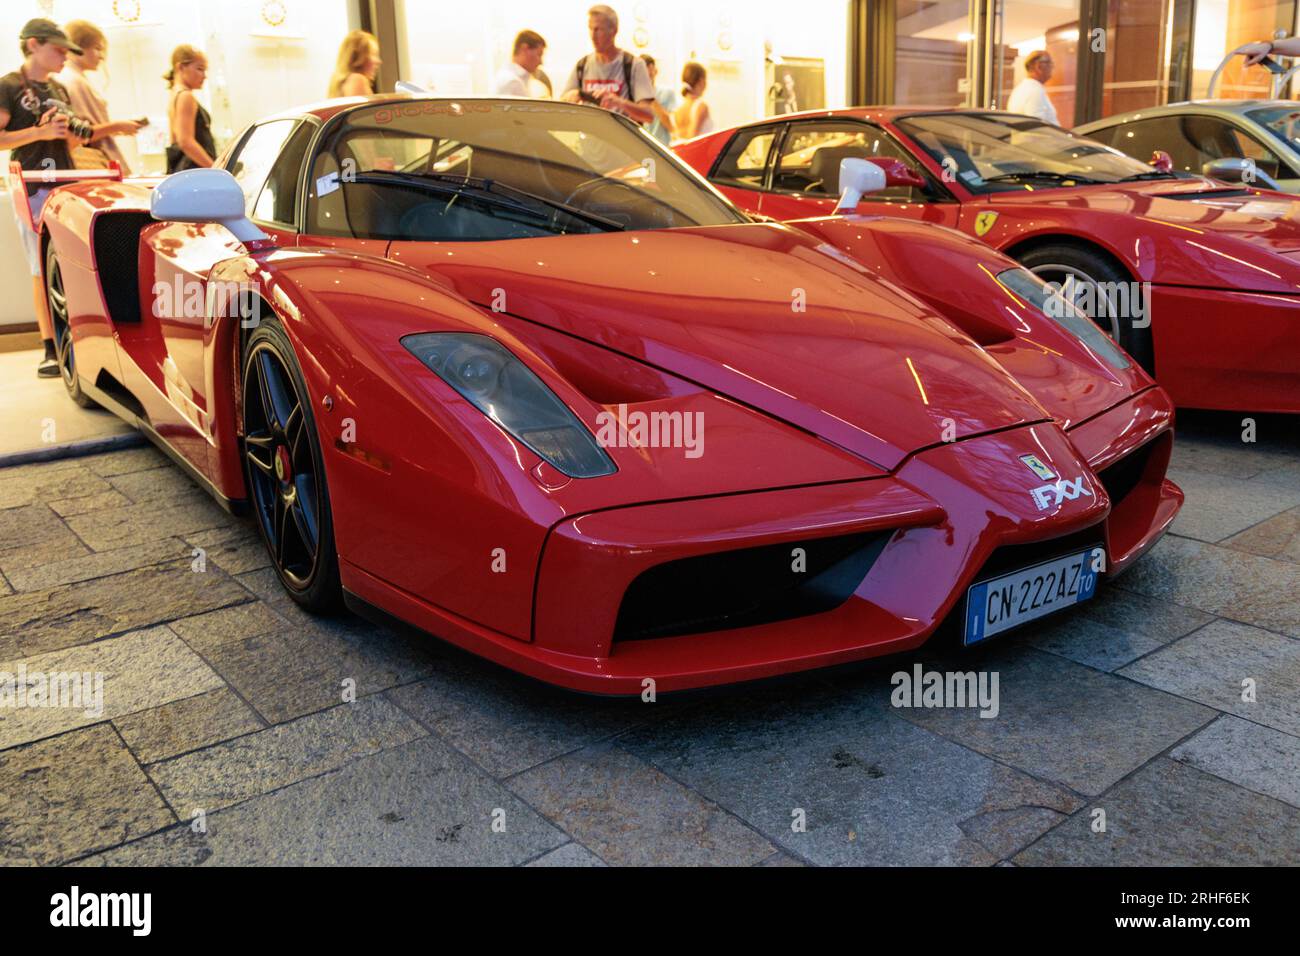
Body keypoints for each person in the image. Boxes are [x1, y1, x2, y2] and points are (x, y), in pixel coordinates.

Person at [0, 19, 92, 377]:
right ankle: (49, 348)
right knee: (41, 268)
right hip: (32, 185)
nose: (64, 57)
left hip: (65, 181)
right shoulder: (8, 86)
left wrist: (73, 135)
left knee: (67, 266)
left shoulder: (59, 89)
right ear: (34, 44)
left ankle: (77, 341)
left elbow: (66, 140)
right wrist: (38, 131)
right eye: (58, 49)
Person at [58, 20, 143, 174]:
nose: (102, 56)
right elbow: (79, 133)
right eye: (97, 48)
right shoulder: (73, 81)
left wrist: (116, 129)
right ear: (78, 48)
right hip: (92, 163)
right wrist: (117, 126)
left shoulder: (75, 79)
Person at [560, 5, 654, 123]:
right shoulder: (582, 65)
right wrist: (571, 96)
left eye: (598, 29)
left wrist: (619, 102)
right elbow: (561, 105)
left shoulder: (633, 65)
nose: (593, 36)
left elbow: (648, 115)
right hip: (588, 138)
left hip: (621, 139)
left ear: (613, 31)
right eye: (590, 29)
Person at [165, 45, 215, 173]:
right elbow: (185, 142)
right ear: (180, 67)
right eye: (200, 69)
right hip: (194, 170)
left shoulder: (175, 94)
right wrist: (217, 170)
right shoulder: (186, 96)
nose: (204, 76)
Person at [1006, 51, 1059, 125]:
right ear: (1038, 66)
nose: (1052, 66)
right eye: (1049, 62)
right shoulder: (1035, 92)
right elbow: (1037, 129)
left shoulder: (1023, 89)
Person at [493, 30, 549, 98]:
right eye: (539, 55)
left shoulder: (517, 79)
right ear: (524, 48)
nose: (541, 62)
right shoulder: (511, 82)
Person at [328, 30, 381, 98]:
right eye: (373, 54)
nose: (378, 61)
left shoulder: (339, 81)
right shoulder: (357, 80)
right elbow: (363, 108)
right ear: (358, 58)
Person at [672, 61, 712, 140]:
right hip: (696, 150)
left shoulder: (678, 107)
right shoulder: (700, 106)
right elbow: (692, 137)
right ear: (701, 81)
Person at [640, 54, 675, 145]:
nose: (648, 74)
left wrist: (650, 97)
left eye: (650, 69)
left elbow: (671, 126)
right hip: (640, 148)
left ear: (656, 71)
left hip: (662, 148)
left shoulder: (667, 93)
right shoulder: (631, 95)